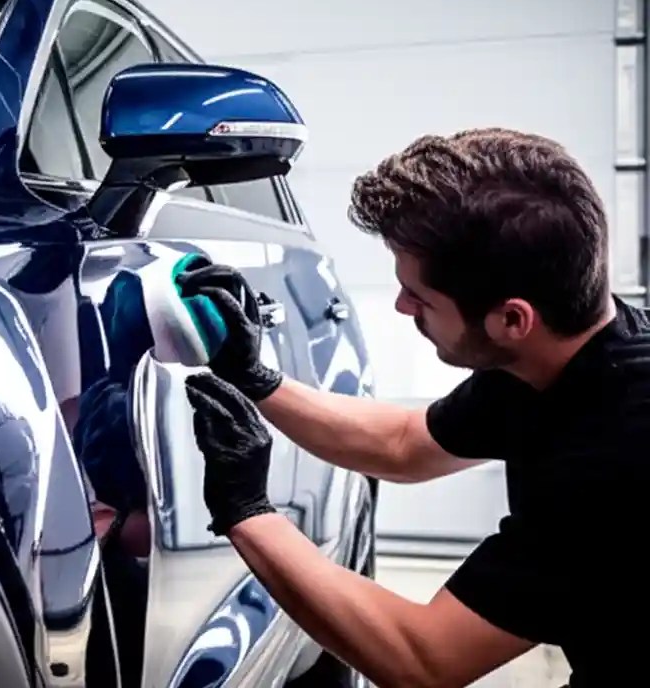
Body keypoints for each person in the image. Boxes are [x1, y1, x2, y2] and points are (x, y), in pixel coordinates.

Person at [175, 127, 649, 688]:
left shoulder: (620, 457)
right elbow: (405, 445)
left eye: (419, 296)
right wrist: (257, 380)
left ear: (511, 319)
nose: (401, 305)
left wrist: (245, 510)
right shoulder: (559, 358)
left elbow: (423, 661)